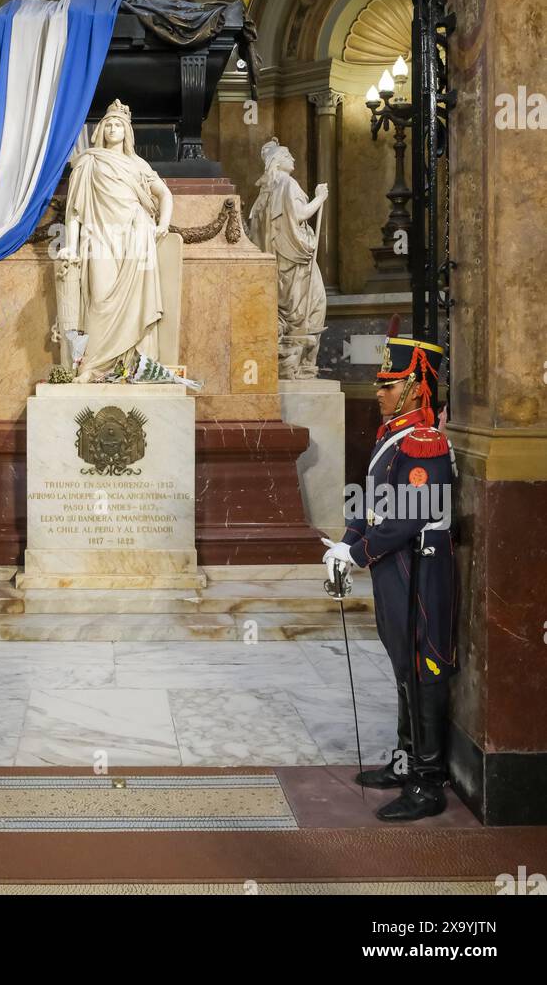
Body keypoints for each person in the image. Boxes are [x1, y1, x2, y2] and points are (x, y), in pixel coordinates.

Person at [322, 326, 457, 822]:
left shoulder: (424, 443)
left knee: (425, 667)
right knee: (403, 663)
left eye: (388, 383)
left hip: (420, 570)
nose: (378, 392)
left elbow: (407, 515)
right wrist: (345, 544)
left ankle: (428, 781)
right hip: (396, 566)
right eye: (379, 383)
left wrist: (359, 555)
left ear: (416, 387)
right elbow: (374, 505)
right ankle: (405, 762)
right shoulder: (394, 438)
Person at [59, 99, 173, 380]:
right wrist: (72, 247)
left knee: (135, 304)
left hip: (135, 236)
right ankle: (92, 366)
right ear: (99, 130)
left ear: (127, 132)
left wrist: (162, 224)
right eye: (107, 123)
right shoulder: (89, 161)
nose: (112, 128)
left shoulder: (138, 164)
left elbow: (164, 194)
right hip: (99, 236)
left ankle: (130, 366)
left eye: (118, 124)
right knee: (99, 299)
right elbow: (75, 210)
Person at [248, 138, 327, 378]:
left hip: (277, 264)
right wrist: (320, 197)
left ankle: (288, 364)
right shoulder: (288, 184)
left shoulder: (265, 192)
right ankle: (303, 365)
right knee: (315, 304)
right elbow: (301, 213)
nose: (293, 158)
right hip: (296, 261)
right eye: (288, 154)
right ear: (279, 161)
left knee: (289, 312)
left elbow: (255, 234)